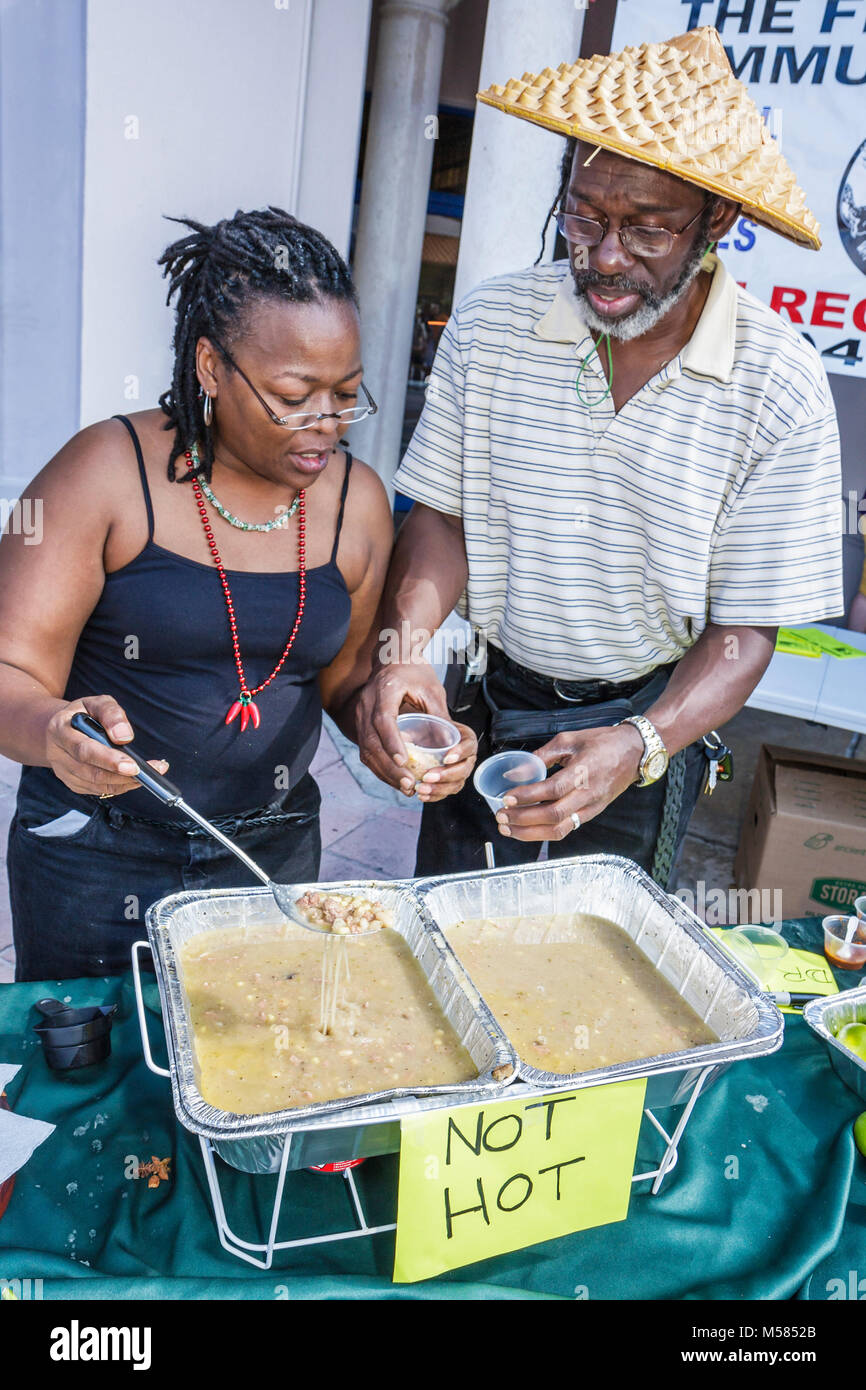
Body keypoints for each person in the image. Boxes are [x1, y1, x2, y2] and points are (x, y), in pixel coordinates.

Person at [355, 27, 844, 885]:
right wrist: (403, 652)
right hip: (490, 692)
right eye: (586, 215)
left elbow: (745, 631)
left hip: (653, 713)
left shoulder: (780, 382)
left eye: (649, 229)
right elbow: (444, 516)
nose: (606, 256)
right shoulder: (493, 324)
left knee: (599, 955)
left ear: (718, 220)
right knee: (452, 922)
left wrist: (641, 741)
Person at [0, 208, 475, 981]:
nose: (325, 424)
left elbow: (349, 679)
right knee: (90, 1076)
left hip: (269, 852)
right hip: (94, 851)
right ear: (211, 366)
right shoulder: (103, 473)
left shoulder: (356, 501)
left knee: (259, 1067)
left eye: (346, 395)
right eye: (294, 395)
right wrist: (54, 729)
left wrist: (395, 723)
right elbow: (7, 670)